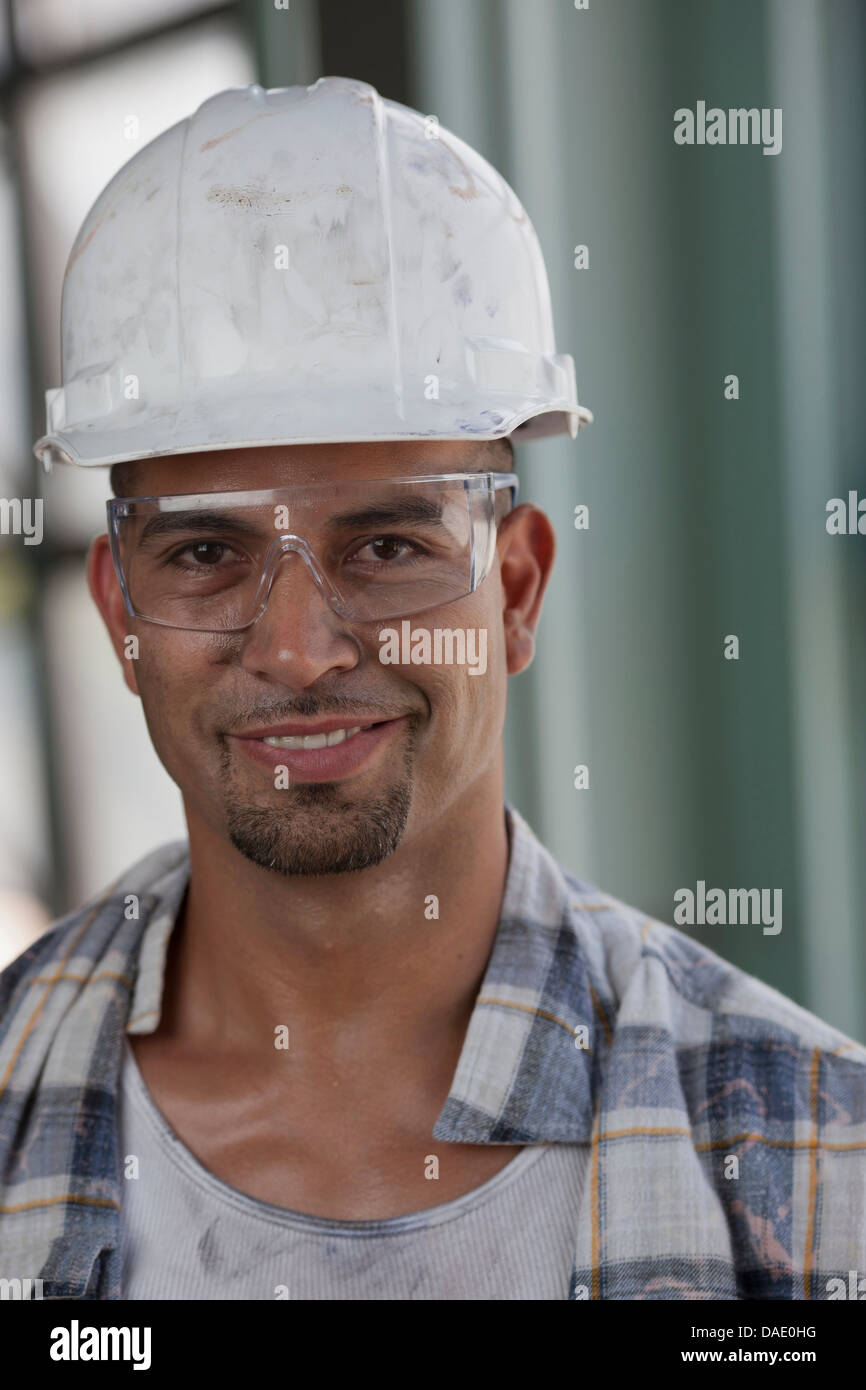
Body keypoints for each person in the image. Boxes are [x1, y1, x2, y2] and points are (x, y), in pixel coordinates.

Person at [1, 77, 863, 1302]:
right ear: (117, 613)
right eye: (205, 552)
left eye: (387, 547)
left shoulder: (821, 1169)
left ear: (514, 591)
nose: (298, 649)